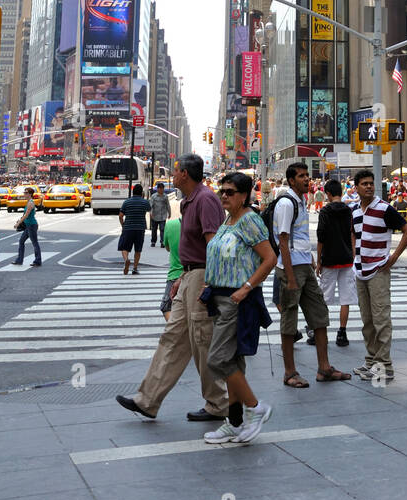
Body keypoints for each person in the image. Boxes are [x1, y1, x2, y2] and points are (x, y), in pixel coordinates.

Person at [116, 153, 229, 423]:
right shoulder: (190, 201)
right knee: (172, 339)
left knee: (202, 341)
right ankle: (147, 400)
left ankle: (219, 402)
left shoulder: (205, 199)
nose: (172, 175)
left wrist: (207, 284)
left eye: (176, 170)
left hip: (202, 277)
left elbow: (214, 246)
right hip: (189, 276)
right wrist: (182, 276)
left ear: (185, 175)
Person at [202, 171, 277, 446]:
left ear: (244, 195)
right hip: (219, 298)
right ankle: (234, 423)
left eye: (230, 192)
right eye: (222, 191)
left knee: (218, 360)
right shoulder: (228, 219)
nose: (224, 195)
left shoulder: (249, 220)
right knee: (232, 362)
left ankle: (256, 407)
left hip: (237, 300)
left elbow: (270, 258)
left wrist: (246, 287)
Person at [274, 162, 350, 388]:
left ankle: (324, 368)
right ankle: (289, 372)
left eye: (307, 175)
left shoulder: (301, 200)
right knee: (290, 319)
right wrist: (289, 277)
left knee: (319, 314)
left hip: (304, 265)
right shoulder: (287, 203)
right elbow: (283, 241)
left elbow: (298, 236)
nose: (307, 179)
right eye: (301, 176)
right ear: (291, 180)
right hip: (291, 268)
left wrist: (311, 260)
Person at [351, 167, 407, 383]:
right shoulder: (355, 211)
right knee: (367, 320)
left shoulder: (385, 208)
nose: (368, 186)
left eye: (371, 183)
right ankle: (371, 361)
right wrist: (354, 259)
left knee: (381, 319)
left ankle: (384, 366)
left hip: (378, 270)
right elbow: (354, 236)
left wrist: (393, 258)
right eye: (364, 184)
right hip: (360, 270)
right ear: (356, 187)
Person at [316, 178, 357, 348]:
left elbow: (321, 238)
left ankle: (319, 331)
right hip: (346, 259)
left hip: (330, 259)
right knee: (345, 299)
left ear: (328, 194)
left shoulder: (325, 212)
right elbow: (352, 233)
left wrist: (318, 261)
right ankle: (342, 332)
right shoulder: (349, 210)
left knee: (324, 298)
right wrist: (353, 253)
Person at [118, 182, 152, 276]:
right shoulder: (145, 202)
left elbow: (120, 216)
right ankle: (135, 268)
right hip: (140, 229)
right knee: (138, 250)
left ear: (133, 192)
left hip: (128, 228)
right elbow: (150, 211)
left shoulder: (127, 202)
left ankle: (126, 260)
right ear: (141, 193)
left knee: (124, 248)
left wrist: (123, 225)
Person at [159, 210, 183, 321]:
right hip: (197, 275)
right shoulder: (201, 227)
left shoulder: (171, 224)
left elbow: (167, 247)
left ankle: (175, 331)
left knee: (166, 306)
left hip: (175, 274)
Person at [12, 187, 41, 267]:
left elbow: (26, 215)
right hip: (29, 225)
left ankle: (37, 260)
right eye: (24, 192)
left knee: (34, 243)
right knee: (21, 241)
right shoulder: (29, 202)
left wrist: (18, 223)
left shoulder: (30, 203)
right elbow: (32, 213)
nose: (24, 194)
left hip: (32, 225)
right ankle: (19, 260)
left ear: (30, 194)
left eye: (26, 192)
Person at [149, 183, 170, 247]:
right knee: (154, 230)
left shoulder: (165, 196)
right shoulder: (153, 196)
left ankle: (162, 242)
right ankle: (153, 241)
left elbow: (168, 205)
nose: (161, 190)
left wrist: (169, 213)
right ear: (157, 189)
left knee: (162, 229)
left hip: (163, 216)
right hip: (154, 216)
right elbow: (151, 206)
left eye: (162, 188)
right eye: (160, 188)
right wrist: (150, 213)